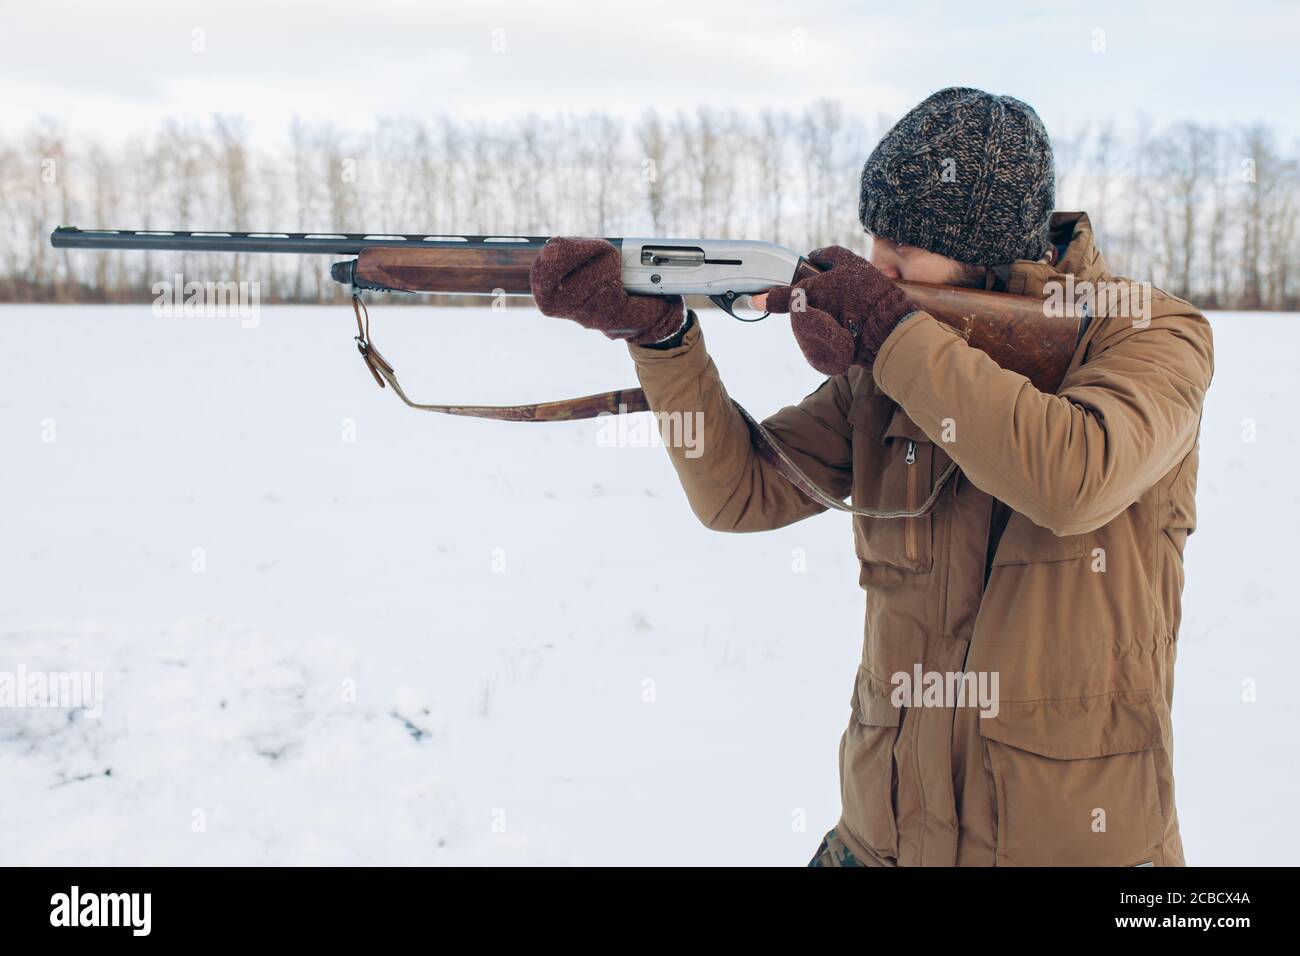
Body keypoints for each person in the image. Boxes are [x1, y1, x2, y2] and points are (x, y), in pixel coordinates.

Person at [528, 87, 1213, 866]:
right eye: (873, 237)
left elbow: (1072, 480)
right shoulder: (890, 359)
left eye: (904, 246)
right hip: (883, 838)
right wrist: (658, 337)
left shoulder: (1149, 333)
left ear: (986, 247)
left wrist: (890, 333)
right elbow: (739, 494)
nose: (878, 266)